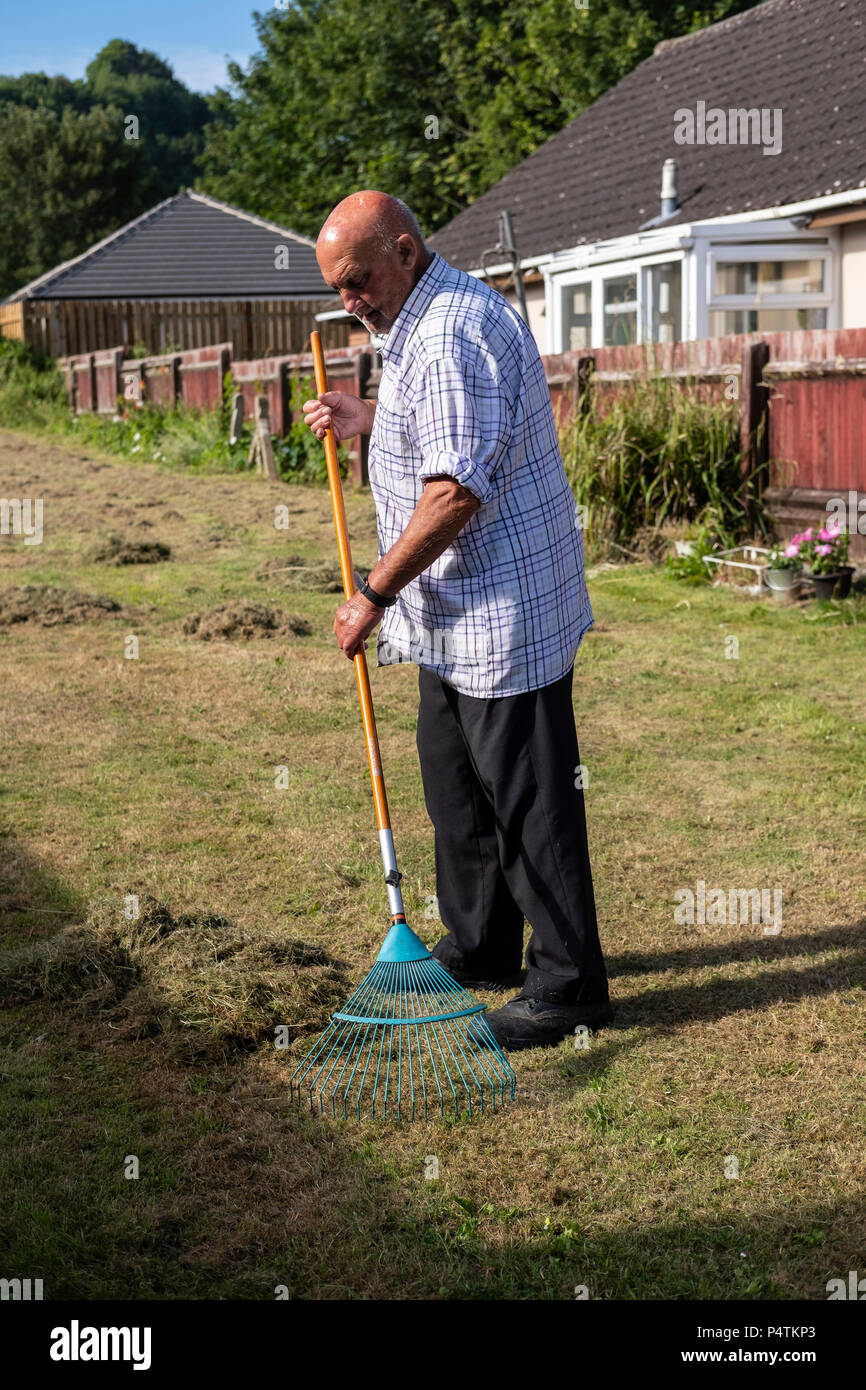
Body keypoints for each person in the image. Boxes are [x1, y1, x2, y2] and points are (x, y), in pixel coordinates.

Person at [303, 190, 612, 1049]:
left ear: (404, 251)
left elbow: (455, 492)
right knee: (454, 781)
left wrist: (372, 593)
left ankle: (569, 985)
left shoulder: (445, 334)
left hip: (500, 607)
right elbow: (453, 438)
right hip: (454, 613)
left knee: (530, 800)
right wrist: (372, 419)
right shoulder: (418, 315)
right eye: (338, 287)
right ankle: (481, 944)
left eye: (358, 279)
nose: (348, 300)